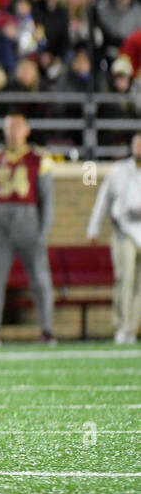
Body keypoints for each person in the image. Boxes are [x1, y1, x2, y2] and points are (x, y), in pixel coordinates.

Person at [0, 113, 55, 347]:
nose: (13, 132)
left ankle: (47, 330)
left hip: (28, 219)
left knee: (40, 279)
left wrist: (43, 232)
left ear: (27, 130)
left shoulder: (38, 159)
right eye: (9, 128)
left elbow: (47, 200)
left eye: (18, 127)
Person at [86, 131, 141, 344]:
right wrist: (93, 229)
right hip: (123, 230)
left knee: (139, 285)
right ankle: (121, 326)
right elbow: (103, 201)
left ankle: (132, 327)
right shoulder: (119, 171)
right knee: (124, 279)